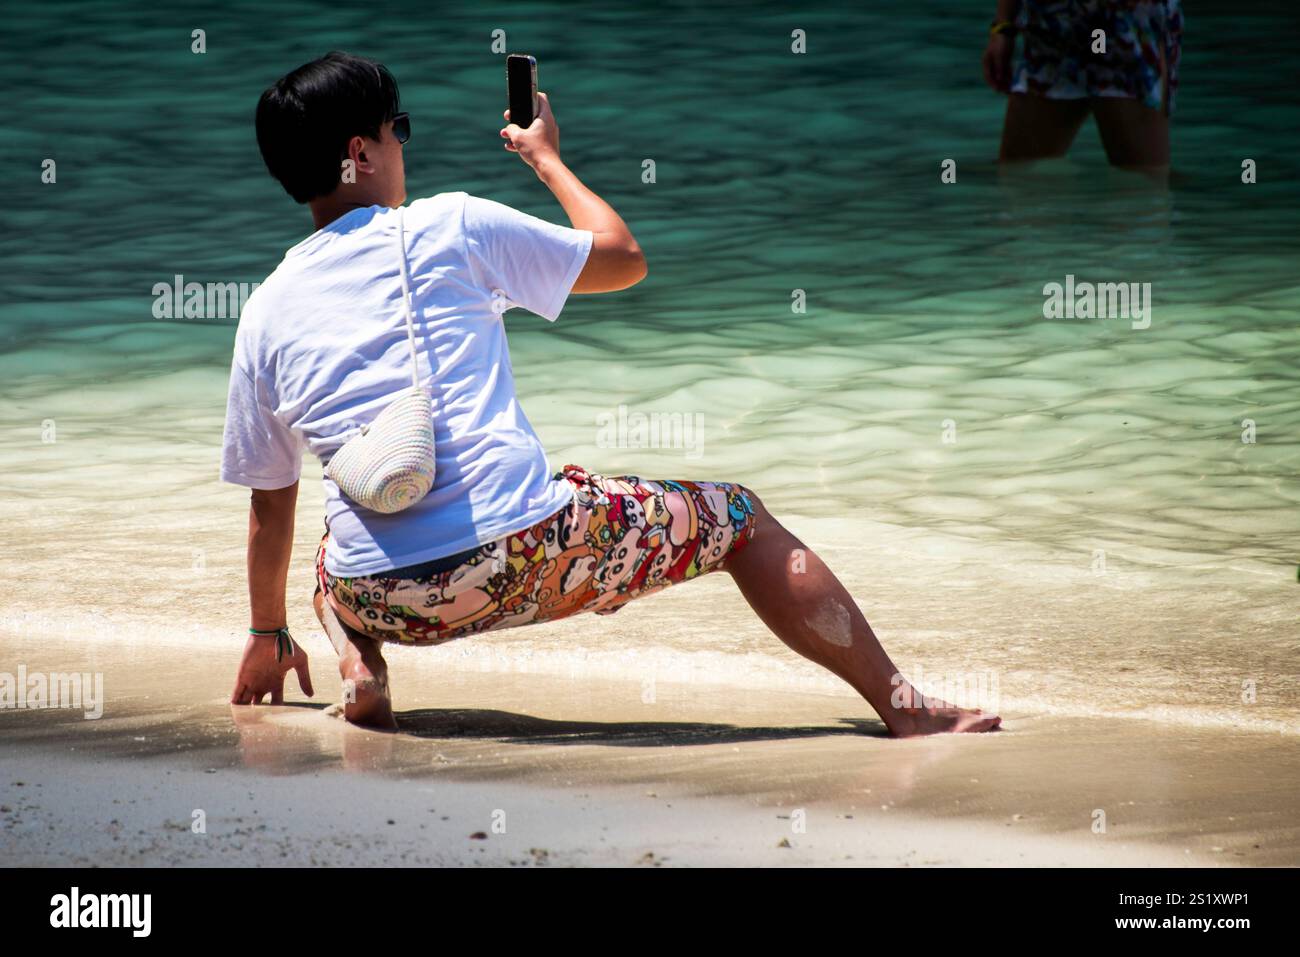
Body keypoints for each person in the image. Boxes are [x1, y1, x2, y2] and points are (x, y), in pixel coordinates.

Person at [223, 52, 1001, 737]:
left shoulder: (262, 311)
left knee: (333, 552)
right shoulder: (448, 226)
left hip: (385, 597)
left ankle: (361, 669)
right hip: (523, 556)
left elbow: (271, 505)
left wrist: (266, 631)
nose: (402, 146)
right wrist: (548, 160)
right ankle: (904, 705)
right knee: (743, 519)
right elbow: (623, 257)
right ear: (360, 152)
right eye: (398, 131)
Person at [983, 0, 1182, 174]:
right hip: (1055, 22)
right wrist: (1003, 25)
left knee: (1143, 187)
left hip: (1123, 19)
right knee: (1019, 177)